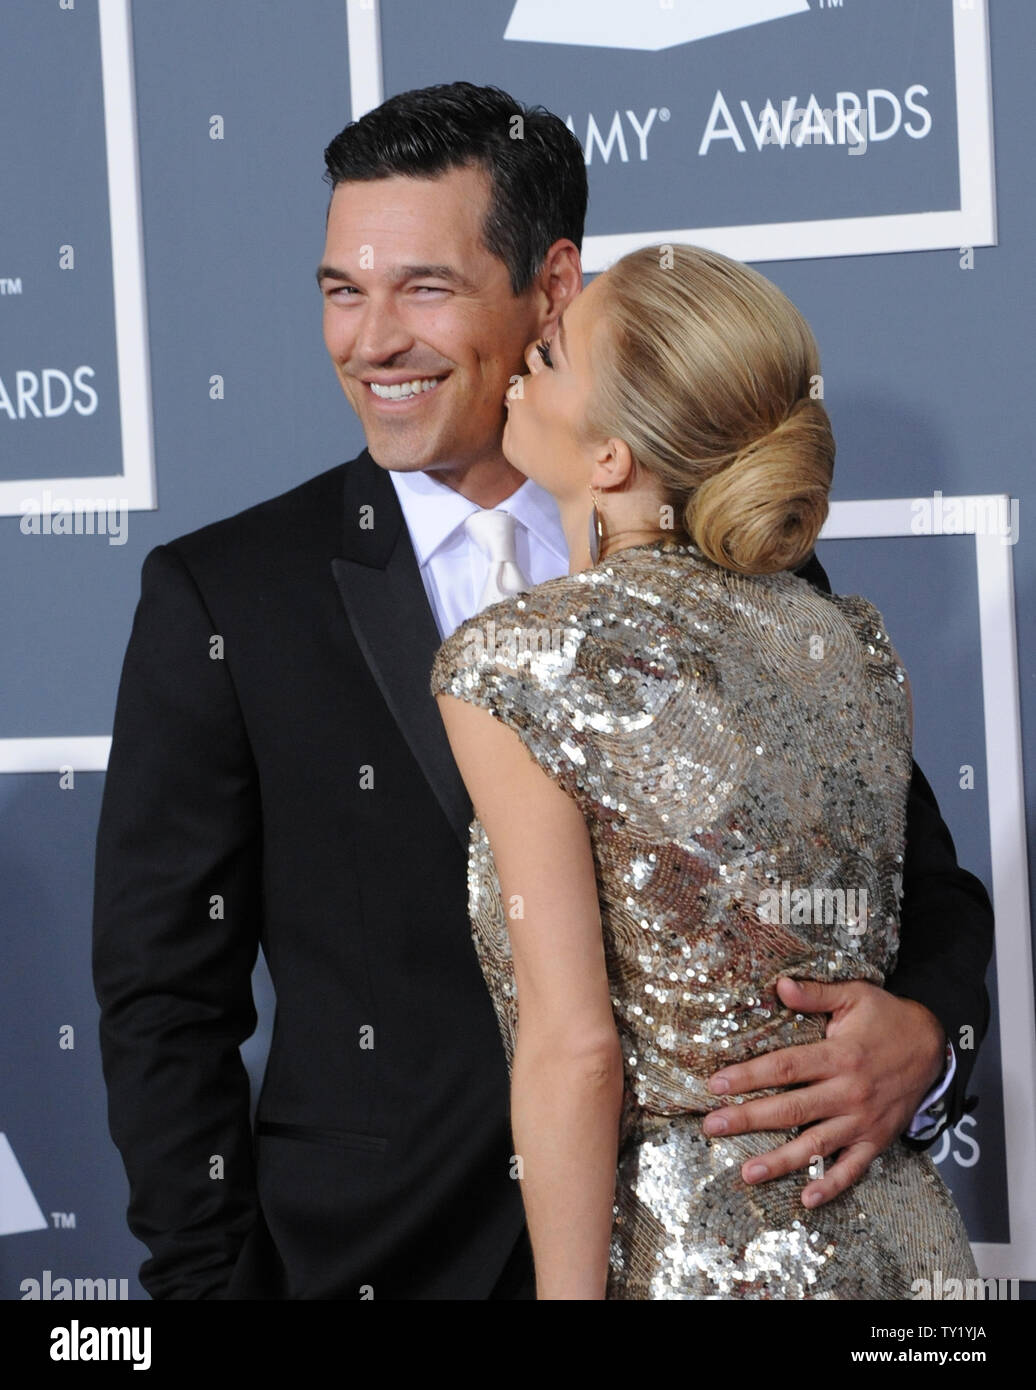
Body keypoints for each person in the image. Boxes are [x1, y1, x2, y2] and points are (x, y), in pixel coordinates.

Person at [92, 82, 992, 1301]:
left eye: (424, 287)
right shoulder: (226, 597)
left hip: (729, 1257)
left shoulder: (744, 571)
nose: (372, 341)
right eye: (341, 292)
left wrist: (926, 1039)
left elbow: (916, 882)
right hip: (377, 1264)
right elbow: (165, 997)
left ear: (551, 288)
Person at [430, 243, 981, 1299]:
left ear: (610, 460)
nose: (517, 372)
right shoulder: (851, 640)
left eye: (547, 356)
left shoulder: (514, 662)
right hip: (906, 1261)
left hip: (692, 1259)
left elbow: (575, 1050)